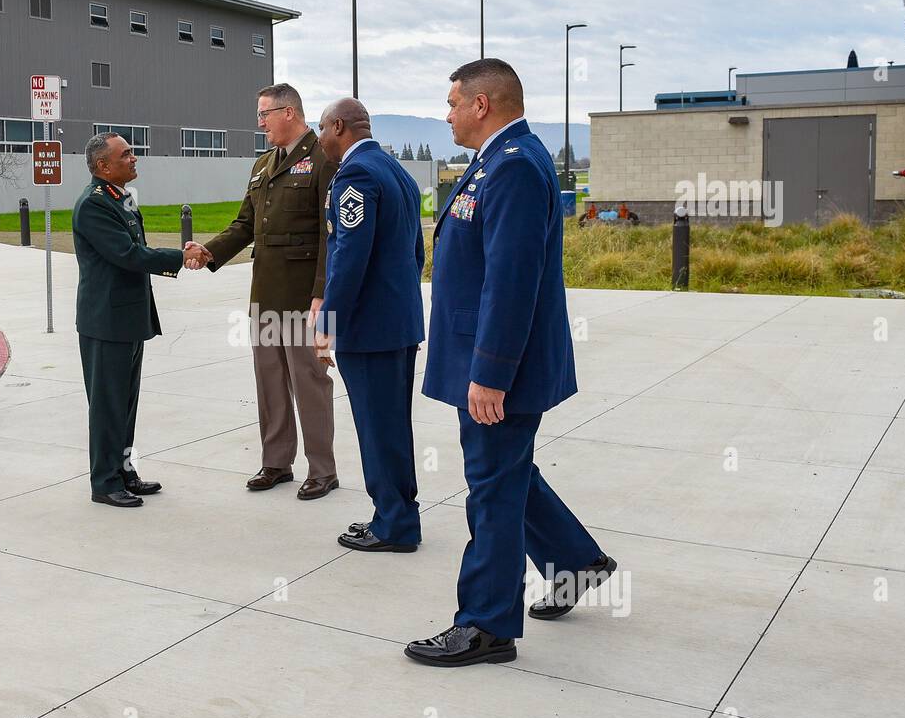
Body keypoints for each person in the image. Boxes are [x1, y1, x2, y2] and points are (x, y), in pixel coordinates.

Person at [405, 59, 617, 668]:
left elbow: (512, 280)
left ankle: (487, 625)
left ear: (481, 105)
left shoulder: (516, 166)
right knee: (508, 474)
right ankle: (576, 564)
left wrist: (490, 373)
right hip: (482, 356)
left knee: (491, 491)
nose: (445, 115)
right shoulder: (495, 159)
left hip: (500, 365)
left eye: (451, 104)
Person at [183, 84, 340, 500]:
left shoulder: (323, 158)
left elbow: (330, 235)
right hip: (266, 296)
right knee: (269, 382)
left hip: (305, 299)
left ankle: (323, 469)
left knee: (310, 384)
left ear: (289, 112)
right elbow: (244, 225)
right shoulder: (263, 165)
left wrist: (322, 294)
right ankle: (277, 463)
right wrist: (209, 251)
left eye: (265, 114)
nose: (260, 122)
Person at [313, 98, 425, 552]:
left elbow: (349, 257)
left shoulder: (356, 175)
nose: (318, 138)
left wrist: (328, 321)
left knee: (377, 428)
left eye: (321, 129)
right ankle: (397, 514)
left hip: (370, 329)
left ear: (338, 126)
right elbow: (416, 252)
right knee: (392, 426)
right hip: (396, 323)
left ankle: (394, 525)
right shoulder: (396, 170)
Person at [73, 132, 189, 508]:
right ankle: (104, 482)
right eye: (126, 154)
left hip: (126, 318)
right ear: (103, 166)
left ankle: (124, 471)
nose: (134, 158)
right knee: (107, 405)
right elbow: (128, 254)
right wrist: (179, 257)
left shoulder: (119, 198)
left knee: (125, 404)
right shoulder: (93, 205)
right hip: (105, 322)